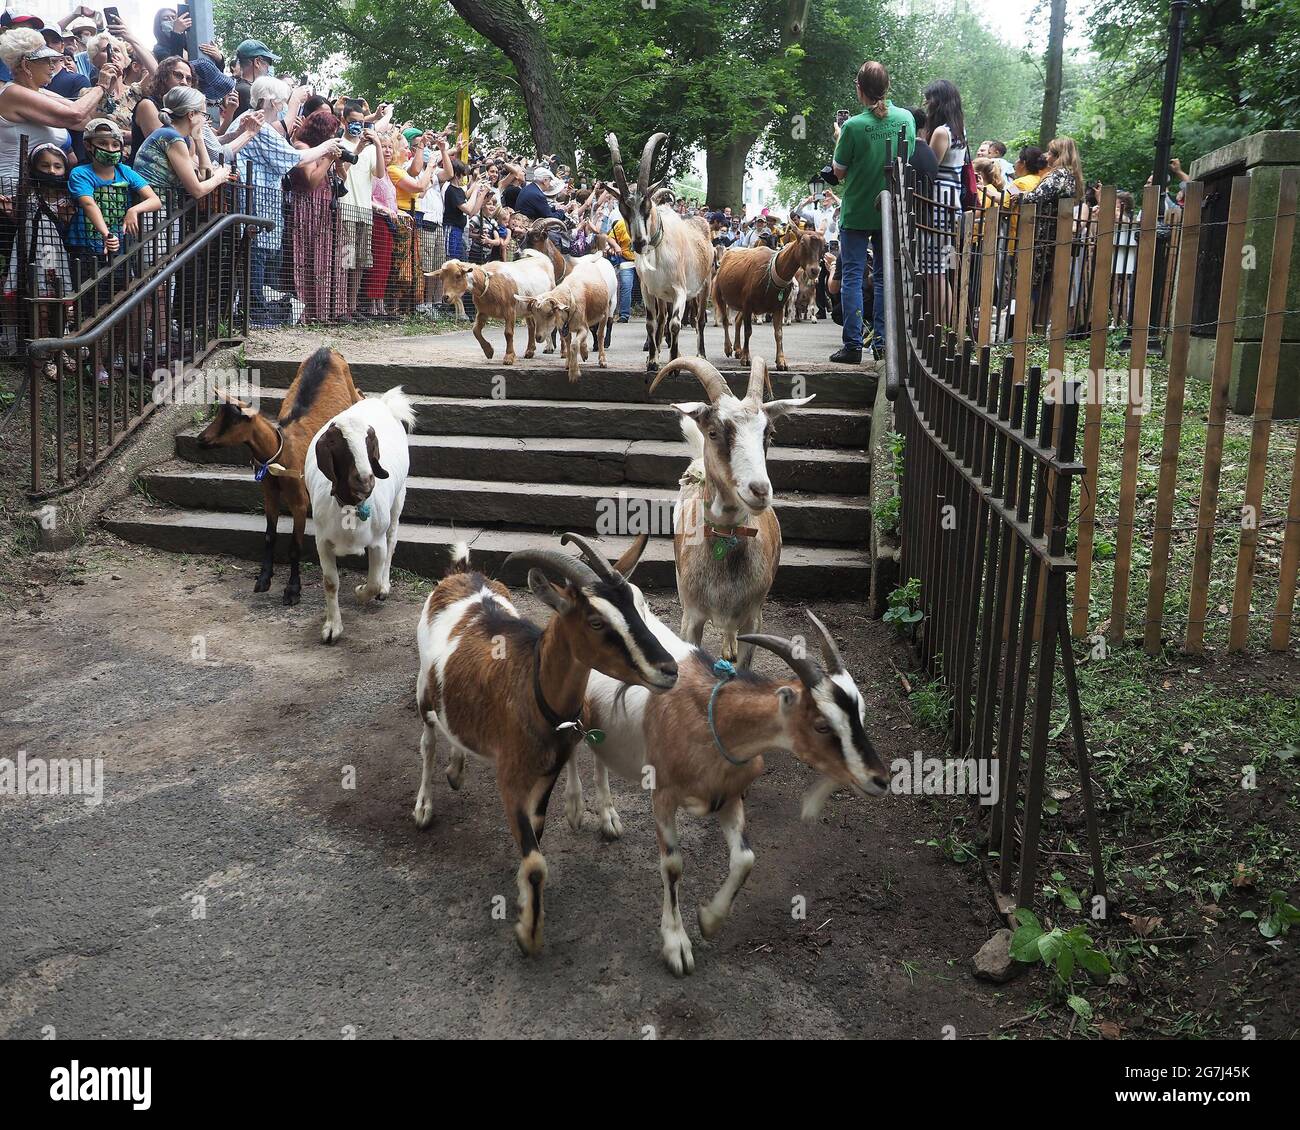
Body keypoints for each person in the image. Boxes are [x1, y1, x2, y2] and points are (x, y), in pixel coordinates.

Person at [232, 76, 341, 325]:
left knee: (257, 261)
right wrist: (328, 148)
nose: (282, 108)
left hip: (260, 204)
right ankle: (254, 313)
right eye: (281, 103)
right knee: (254, 260)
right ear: (270, 101)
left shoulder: (254, 122)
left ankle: (256, 311)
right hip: (253, 204)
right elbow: (294, 158)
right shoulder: (256, 123)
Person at [830, 59, 913, 367]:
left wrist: (840, 139)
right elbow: (907, 159)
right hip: (889, 210)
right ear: (887, 86)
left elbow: (839, 172)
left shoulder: (851, 127)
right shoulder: (906, 119)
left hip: (856, 211)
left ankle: (852, 345)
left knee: (852, 275)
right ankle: (881, 342)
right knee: (881, 277)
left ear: (859, 89)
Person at [0, 27, 111, 180]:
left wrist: (100, 91)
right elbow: (75, 115)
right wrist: (102, 86)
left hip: (41, 193)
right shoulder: (13, 93)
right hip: (12, 196)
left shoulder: (39, 92)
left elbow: (85, 121)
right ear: (26, 65)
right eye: (46, 61)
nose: (53, 66)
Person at [919, 78, 968, 326]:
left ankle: (939, 327)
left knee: (934, 272)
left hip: (939, 203)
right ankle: (943, 327)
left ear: (938, 100)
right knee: (939, 270)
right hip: (952, 204)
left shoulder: (940, 132)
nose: (926, 103)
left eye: (929, 98)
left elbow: (930, 167)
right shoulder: (958, 131)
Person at [231, 40, 277, 118]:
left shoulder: (240, 87)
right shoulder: (247, 91)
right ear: (257, 62)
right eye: (269, 63)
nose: (268, 68)